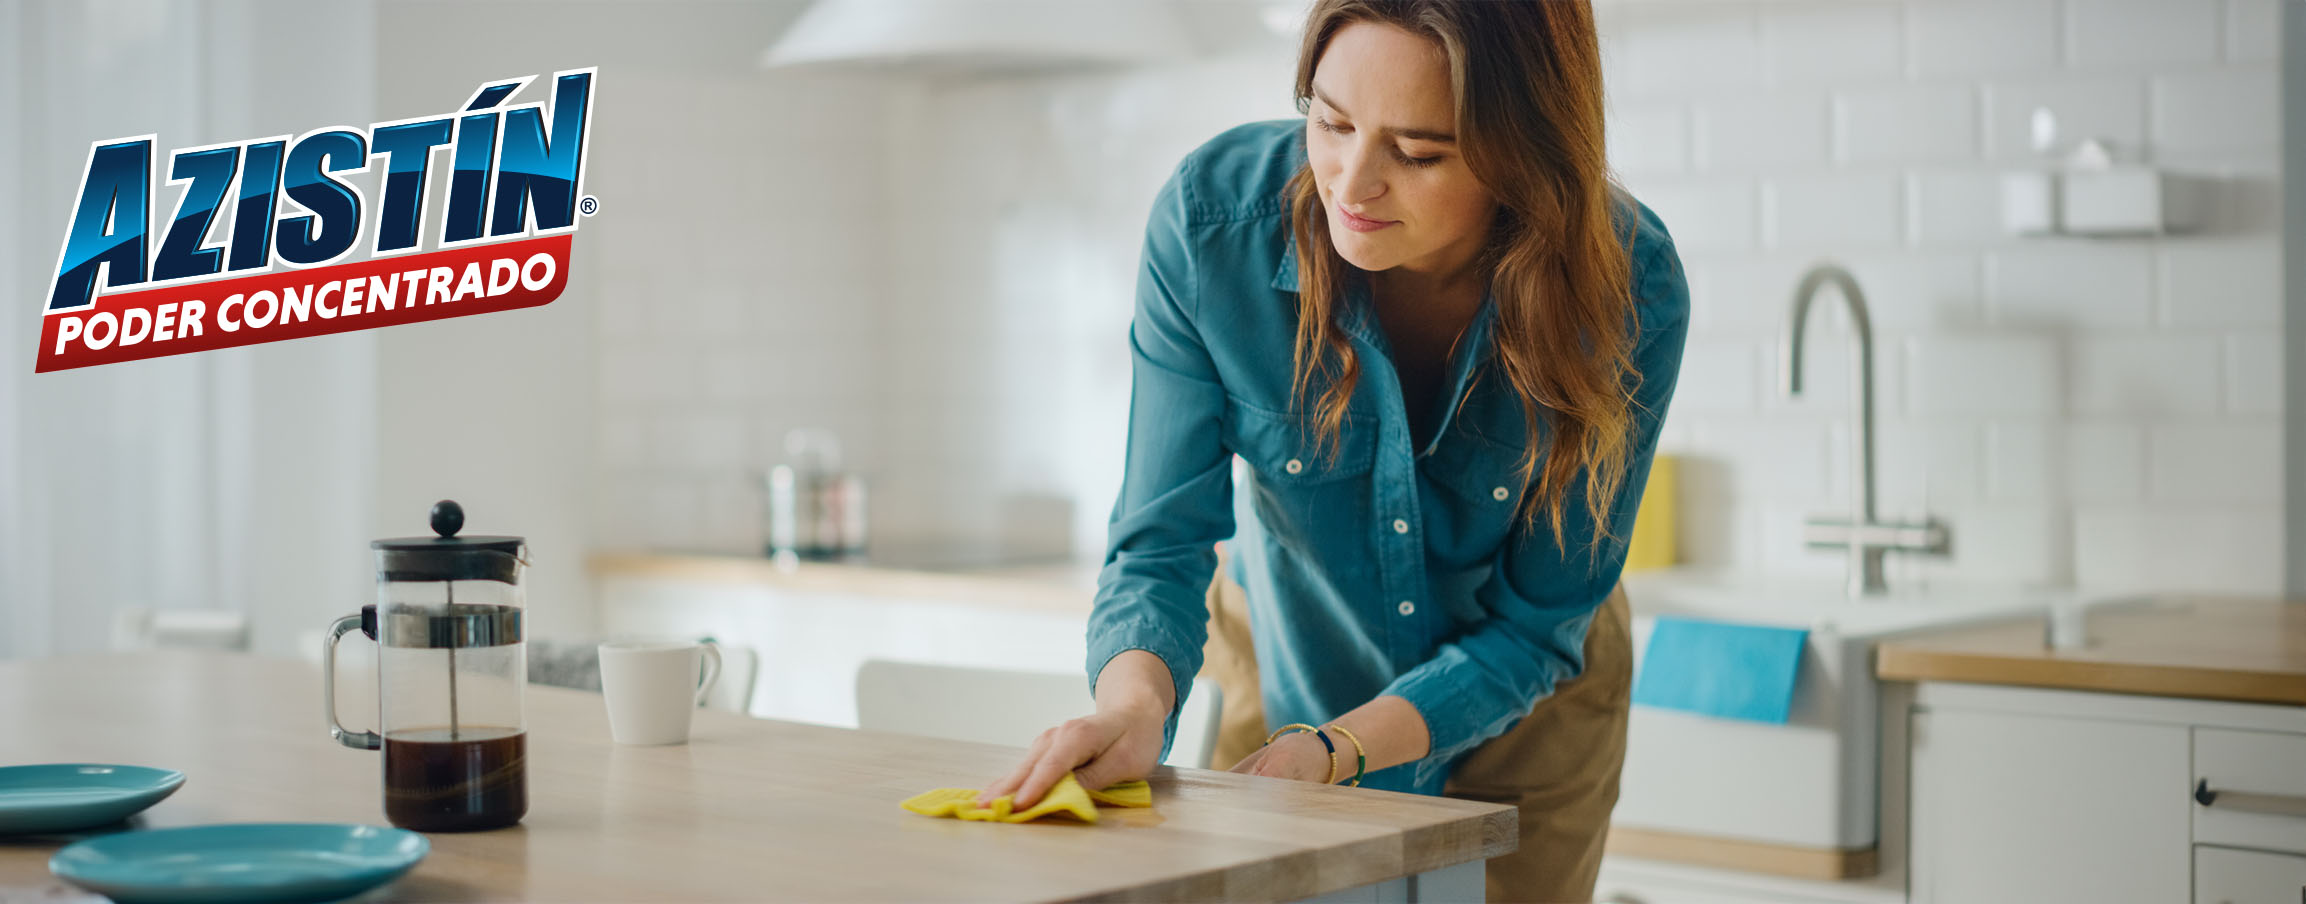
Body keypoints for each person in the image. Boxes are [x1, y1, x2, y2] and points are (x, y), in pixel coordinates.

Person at [976, 1, 1687, 900]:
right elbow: (1161, 544)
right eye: (1331, 121)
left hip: (1530, 699)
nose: (1353, 182)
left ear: (1526, 154)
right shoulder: (1212, 228)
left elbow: (1533, 627)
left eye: (1420, 153)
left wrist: (1343, 749)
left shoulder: (1630, 286)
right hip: (1285, 657)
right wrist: (1130, 709)